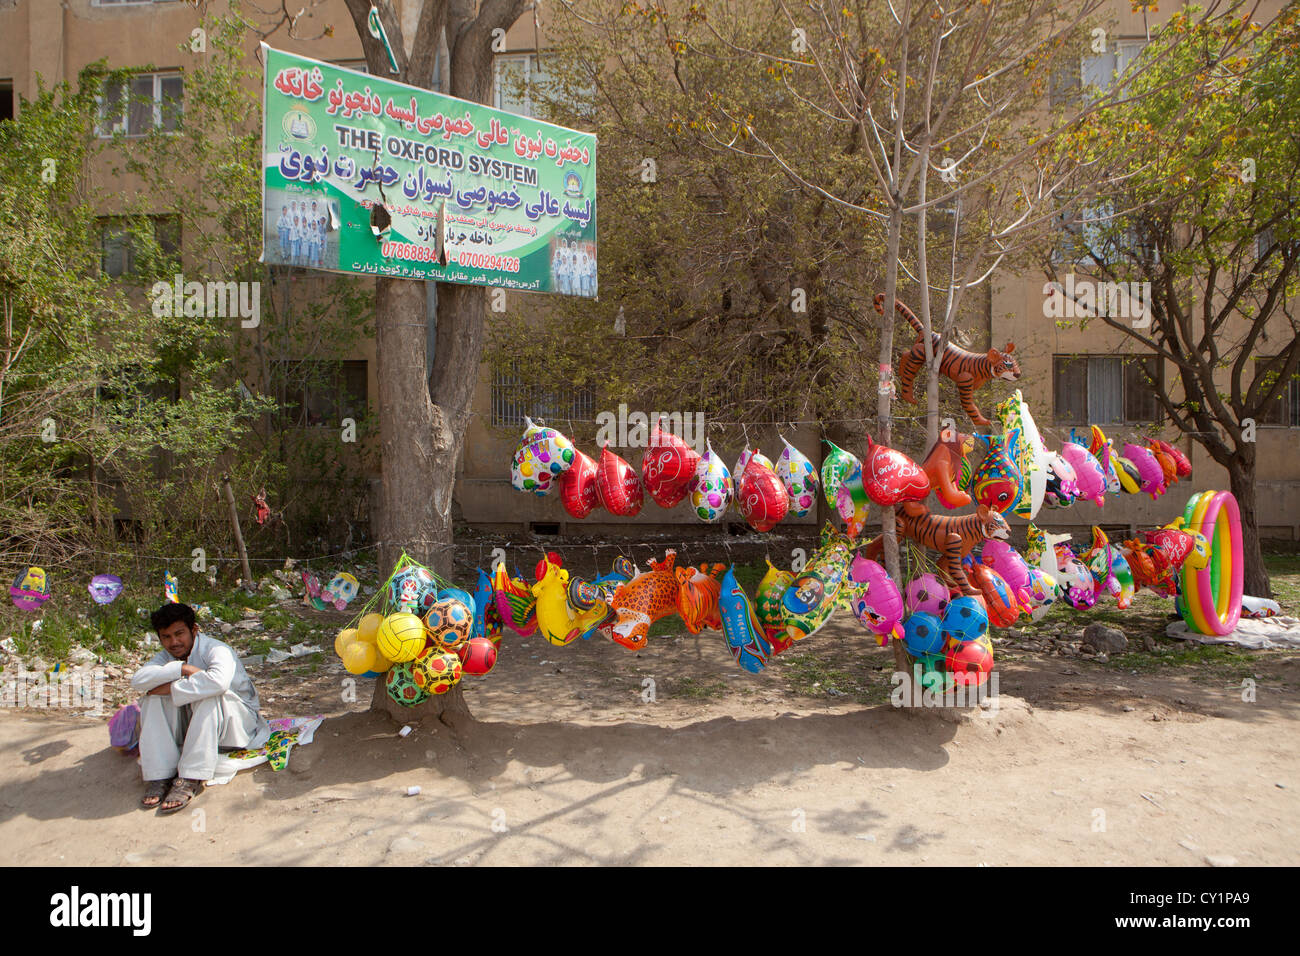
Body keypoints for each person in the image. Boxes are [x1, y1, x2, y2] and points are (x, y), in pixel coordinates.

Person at [130, 602, 271, 814]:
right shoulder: (167, 657)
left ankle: (191, 776)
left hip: (238, 724)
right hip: (196, 728)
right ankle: (160, 774)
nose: (174, 642)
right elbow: (138, 681)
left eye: (179, 634)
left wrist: (170, 687)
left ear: (194, 630)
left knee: (208, 695)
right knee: (152, 700)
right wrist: (182, 668)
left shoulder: (216, 649)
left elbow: (218, 683)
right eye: (166, 637)